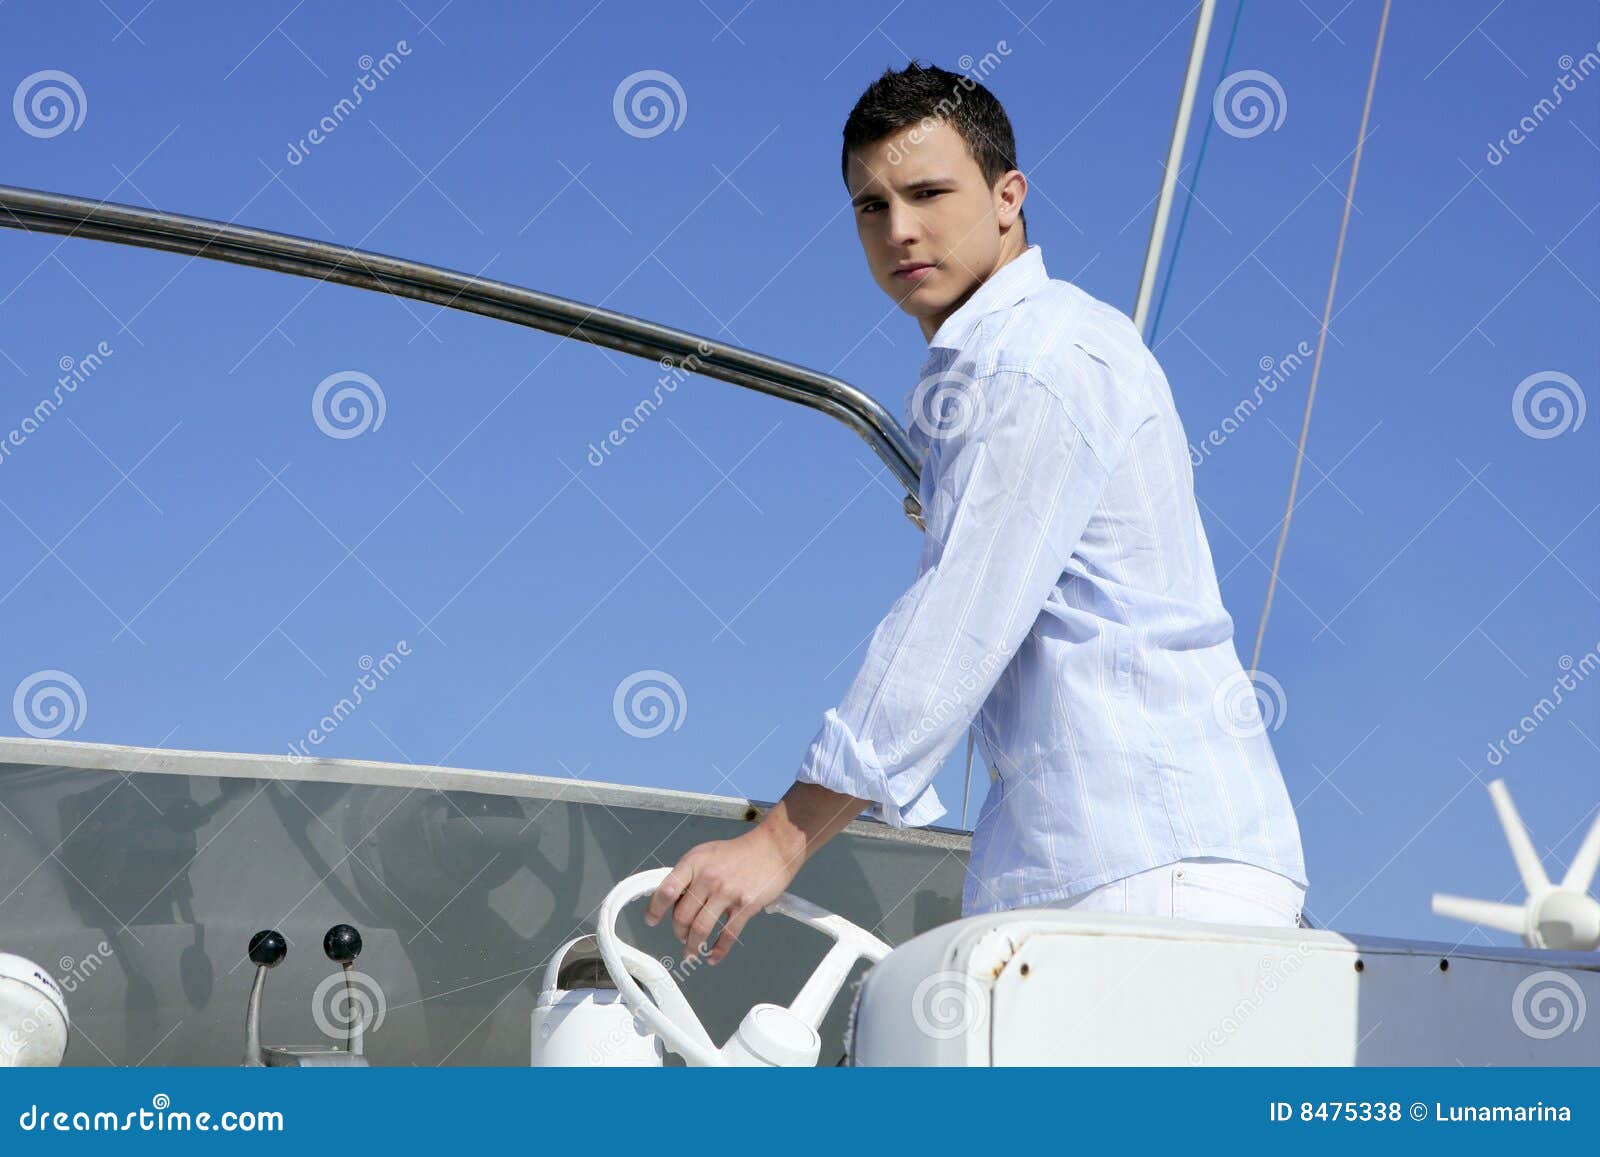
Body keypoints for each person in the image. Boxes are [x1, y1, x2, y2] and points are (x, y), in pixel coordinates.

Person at [646, 61, 1308, 964]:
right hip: (1107, 870)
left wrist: (780, 838)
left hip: (1148, 873)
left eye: (927, 193)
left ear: (1008, 195)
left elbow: (957, 621)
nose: (899, 230)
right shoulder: (1011, 356)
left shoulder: (1031, 361)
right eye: (870, 207)